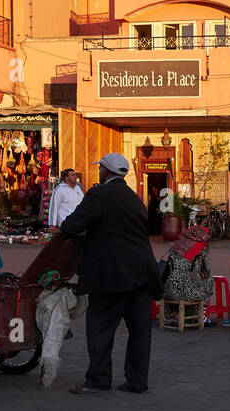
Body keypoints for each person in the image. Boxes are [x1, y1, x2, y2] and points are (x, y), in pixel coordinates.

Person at [59, 152, 162, 394]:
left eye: (100, 169)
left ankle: (98, 379)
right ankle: (137, 381)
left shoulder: (99, 194)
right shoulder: (134, 198)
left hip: (111, 274)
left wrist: (66, 230)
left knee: (100, 327)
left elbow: (73, 224)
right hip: (142, 272)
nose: (98, 172)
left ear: (105, 171)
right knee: (139, 331)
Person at [162, 224, 214, 324]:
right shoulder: (201, 247)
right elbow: (207, 271)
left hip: (168, 292)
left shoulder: (176, 246)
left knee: (173, 279)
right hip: (187, 293)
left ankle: (168, 315)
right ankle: (202, 317)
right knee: (210, 281)